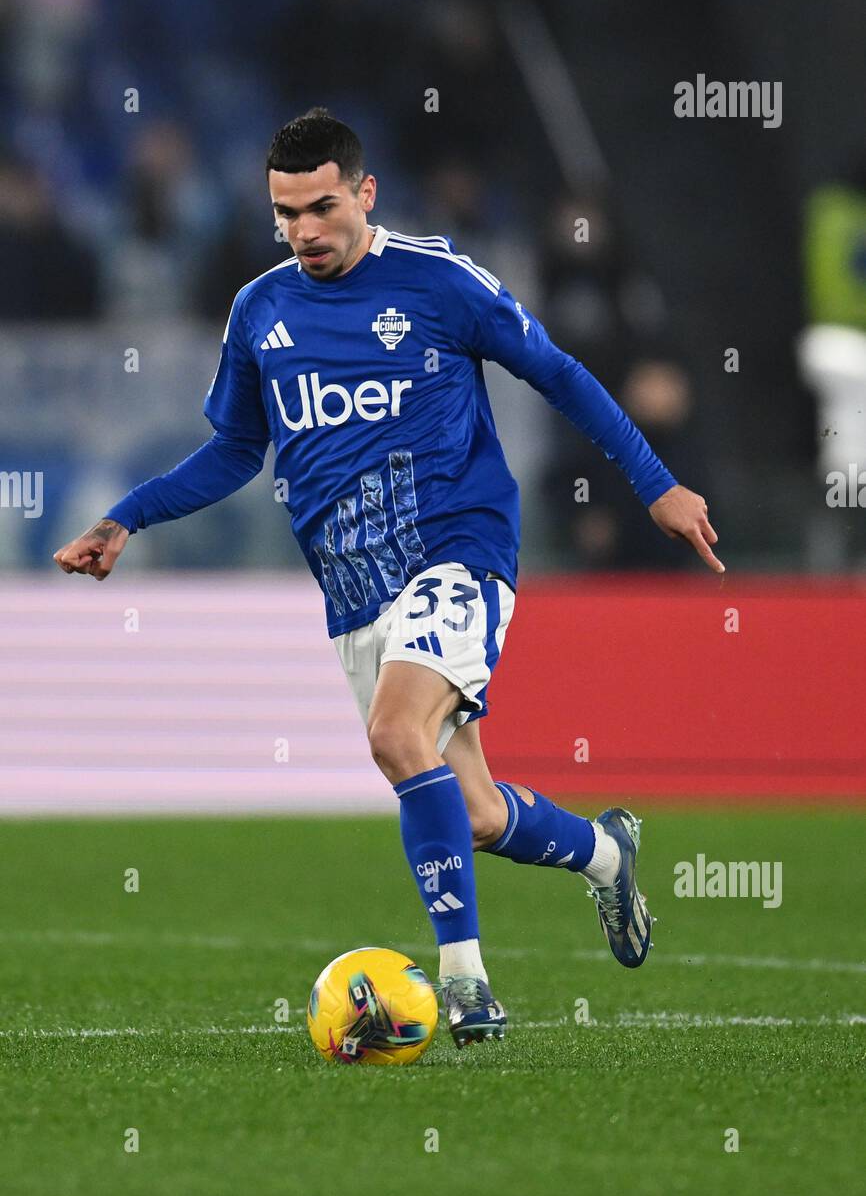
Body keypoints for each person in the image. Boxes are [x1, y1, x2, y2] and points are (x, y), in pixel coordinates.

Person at [53, 108, 724, 1048]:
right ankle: (607, 854)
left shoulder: (439, 281)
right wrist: (129, 515)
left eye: (322, 207)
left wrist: (655, 484)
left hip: (460, 554)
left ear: (365, 194)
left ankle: (465, 981)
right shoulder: (261, 311)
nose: (304, 231)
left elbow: (558, 371)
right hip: (355, 592)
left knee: (394, 733)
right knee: (478, 811)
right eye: (286, 214)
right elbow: (236, 451)